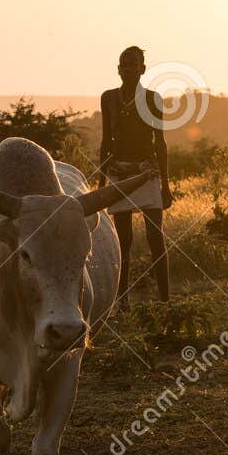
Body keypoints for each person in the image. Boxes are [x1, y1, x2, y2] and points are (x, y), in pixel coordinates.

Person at [98, 45, 171, 302]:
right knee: (123, 241)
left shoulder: (153, 99)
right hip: (118, 172)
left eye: (133, 65)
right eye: (123, 65)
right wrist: (101, 184)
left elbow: (159, 142)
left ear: (143, 69)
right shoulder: (108, 98)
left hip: (147, 171)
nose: (128, 69)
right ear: (118, 69)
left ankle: (165, 300)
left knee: (155, 236)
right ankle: (122, 300)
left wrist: (165, 185)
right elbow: (106, 142)